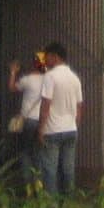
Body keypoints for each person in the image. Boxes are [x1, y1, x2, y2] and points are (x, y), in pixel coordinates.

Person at [35, 41, 84, 195]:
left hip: (52, 130)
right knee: (68, 169)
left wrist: (41, 129)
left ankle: (51, 206)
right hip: (70, 129)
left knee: (50, 170)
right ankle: (69, 204)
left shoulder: (50, 76)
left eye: (47, 57)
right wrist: (75, 124)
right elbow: (79, 106)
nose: (45, 60)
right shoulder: (74, 78)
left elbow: (46, 105)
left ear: (55, 57)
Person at [11, 52, 46, 159]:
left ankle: (26, 175)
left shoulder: (27, 79)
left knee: (25, 150)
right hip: (43, 120)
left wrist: (13, 72)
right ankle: (38, 175)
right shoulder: (48, 80)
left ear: (33, 64)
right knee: (40, 151)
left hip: (28, 119)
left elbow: (12, 88)